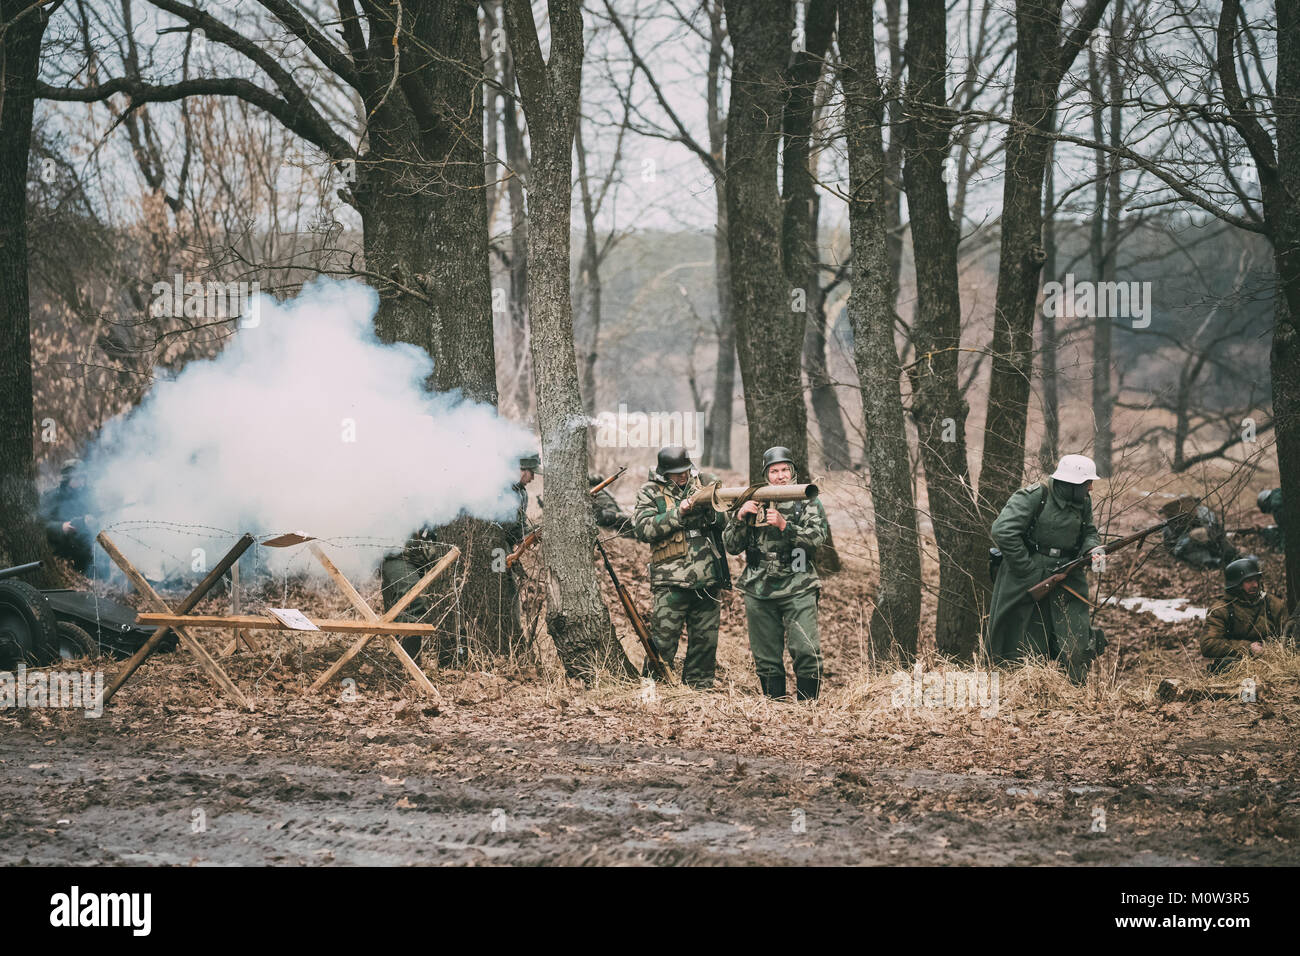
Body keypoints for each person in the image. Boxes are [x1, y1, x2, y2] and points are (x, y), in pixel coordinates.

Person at [986, 454, 1107, 684]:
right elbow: (1003, 531)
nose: (1091, 487)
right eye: (1086, 483)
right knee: (1026, 637)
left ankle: (1074, 689)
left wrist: (1093, 550)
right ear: (1070, 484)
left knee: (1075, 635)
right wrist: (1028, 570)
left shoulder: (1083, 502)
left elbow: (1089, 532)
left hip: (1068, 575)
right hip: (1030, 575)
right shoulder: (1034, 497)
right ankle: (1025, 686)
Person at [721, 446, 828, 701]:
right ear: (766, 474)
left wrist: (785, 526)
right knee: (766, 655)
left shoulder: (806, 499)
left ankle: (808, 708)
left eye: (784, 470)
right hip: (759, 586)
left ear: (792, 471)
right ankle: (775, 708)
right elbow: (732, 546)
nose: (780, 476)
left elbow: (816, 540)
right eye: (774, 471)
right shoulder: (752, 499)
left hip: (798, 582)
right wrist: (739, 517)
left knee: (806, 649)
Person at [631, 445, 730, 688]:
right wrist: (679, 512)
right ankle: (653, 689)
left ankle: (699, 690)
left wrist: (711, 509)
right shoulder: (650, 491)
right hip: (670, 581)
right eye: (676, 473)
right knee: (663, 642)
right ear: (664, 472)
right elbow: (643, 529)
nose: (682, 476)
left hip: (707, 577)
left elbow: (724, 521)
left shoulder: (706, 483)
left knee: (705, 642)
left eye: (685, 470)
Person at [1200, 555, 1292, 672]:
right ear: (1236, 585)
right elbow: (1208, 644)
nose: (1255, 585)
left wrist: (1271, 649)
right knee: (1228, 664)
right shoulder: (1221, 610)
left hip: (1271, 662)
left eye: (1256, 580)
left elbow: (1288, 636)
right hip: (1236, 664)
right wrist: (1247, 648)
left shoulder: (1273, 604)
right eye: (1248, 581)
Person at [40, 459, 93, 573]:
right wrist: (61, 527)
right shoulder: (52, 496)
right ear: (67, 479)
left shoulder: (89, 495)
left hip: (87, 553)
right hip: (62, 554)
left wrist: (92, 521)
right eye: (77, 478)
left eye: (83, 478)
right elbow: (41, 524)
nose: (81, 482)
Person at [1256, 488, 1285, 552]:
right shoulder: (1279, 492)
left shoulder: (1276, 506)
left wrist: (1281, 549)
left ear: (1265, 501)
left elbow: (1286, 529)